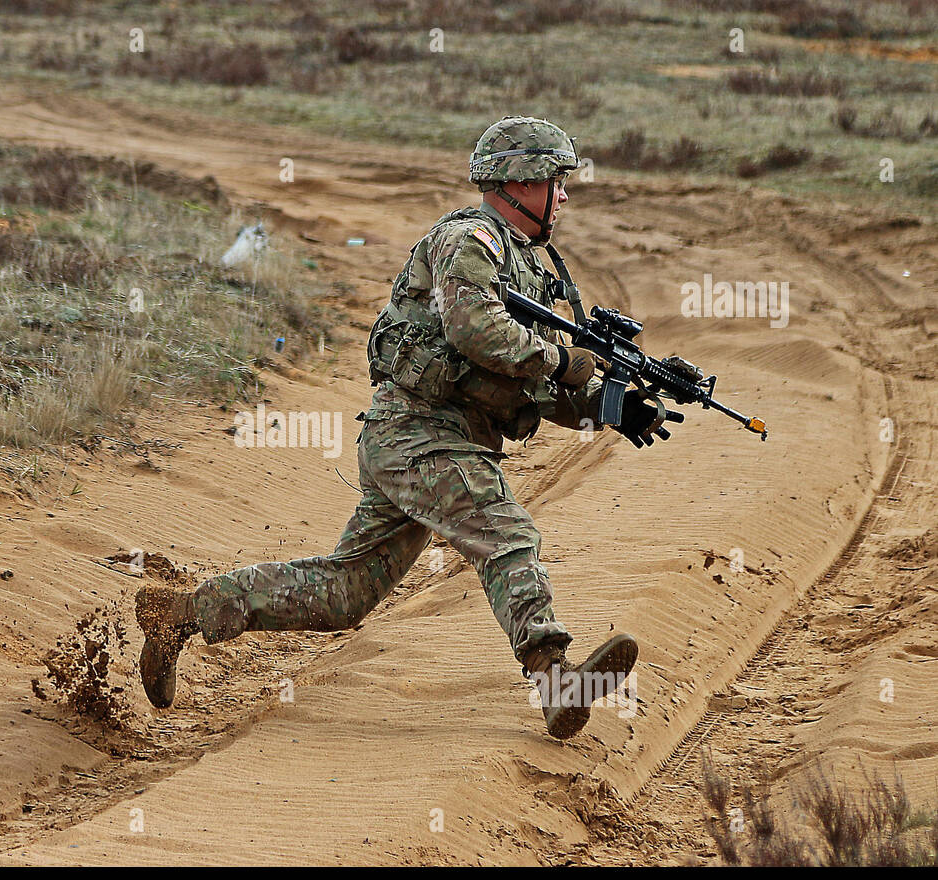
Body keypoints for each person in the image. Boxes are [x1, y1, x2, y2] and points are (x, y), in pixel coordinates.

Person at [134, 117, 682, 739]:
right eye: (555, 182)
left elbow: (535, 385)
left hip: (419, 440)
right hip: (420, 433)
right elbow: (476, 331)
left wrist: (612, 407)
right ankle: (556, 679)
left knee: (347, 591)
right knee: (504, 531)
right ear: (518, 181)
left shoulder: (529, 267)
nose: (564, 196)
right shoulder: (472, 243)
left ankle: (181, 614)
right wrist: (561, 358)